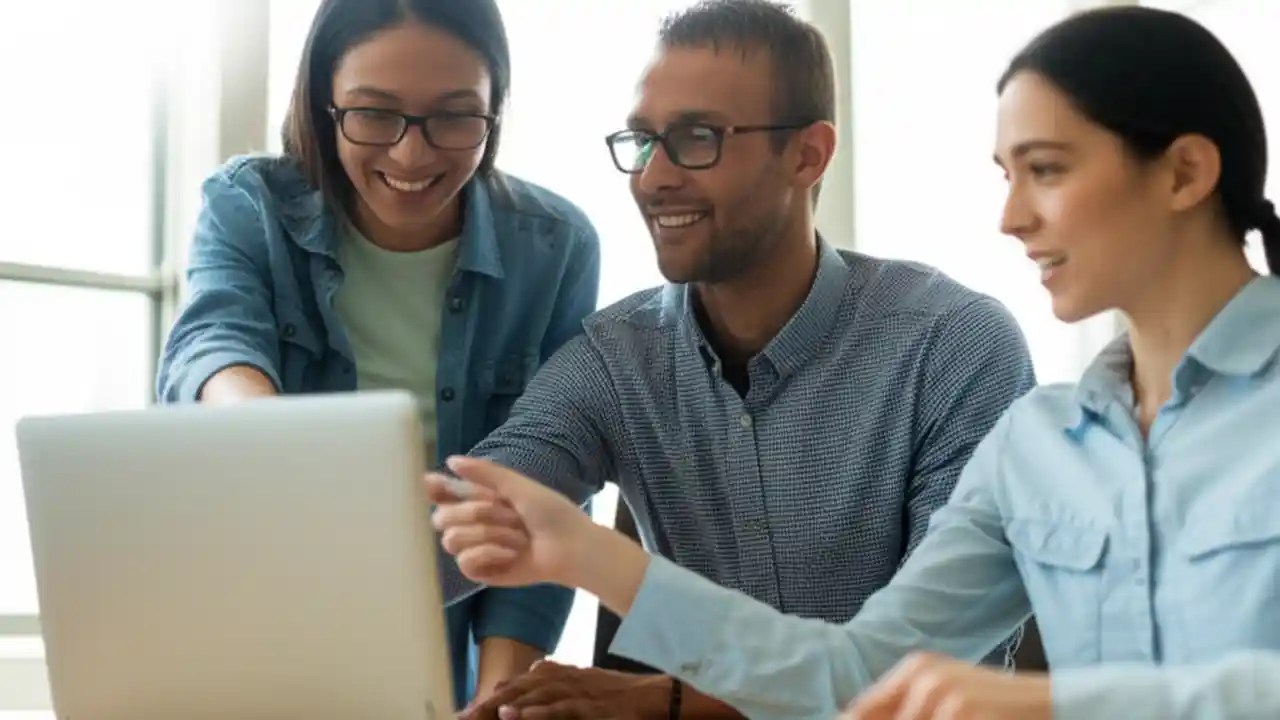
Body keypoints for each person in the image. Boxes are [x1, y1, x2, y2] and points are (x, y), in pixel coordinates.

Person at [428, 5, 1280, 720]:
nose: (1011, 217)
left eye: (1047, 171)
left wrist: (1056, 705)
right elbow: (857, 677)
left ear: (1185, 174)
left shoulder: (959, 346)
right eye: (1006, 175)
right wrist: (584, 555)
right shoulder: (1042, 442)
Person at [443, 1, 1034, 717]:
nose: (652, 177)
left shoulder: (955, 347)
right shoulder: (613, 360)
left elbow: (925, 683)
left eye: (696, 139)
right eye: (642, 140)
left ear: (808, 154)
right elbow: (457, 532)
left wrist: (672, 702)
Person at [155, 0, 600, 708]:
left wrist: (501, 697)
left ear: (496, 107)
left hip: (425, 652)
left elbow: (546, 487)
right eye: (373, 114)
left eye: (455, 116)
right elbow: (212, 344)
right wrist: (271, 434)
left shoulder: (555, 248)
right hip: (244, 614)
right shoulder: (249, 205)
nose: (411, 155)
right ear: (324, 101)